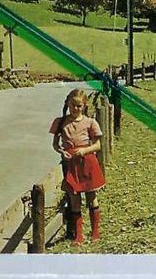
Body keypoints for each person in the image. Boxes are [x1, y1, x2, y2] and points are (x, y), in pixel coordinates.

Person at [49, 89, 105, 244]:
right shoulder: (60, 122)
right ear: (67, 103)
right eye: (72, 105)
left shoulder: (90, 122)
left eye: (79, 106)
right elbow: (55, 144)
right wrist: (62, 152)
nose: (75, 109)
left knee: (91, 197)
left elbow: (98, 145)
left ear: (84, 106)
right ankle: (78, 235)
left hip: (87, 162)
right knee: (74, 199)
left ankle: (95, 232)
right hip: (71, 164)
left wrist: (85, 150)